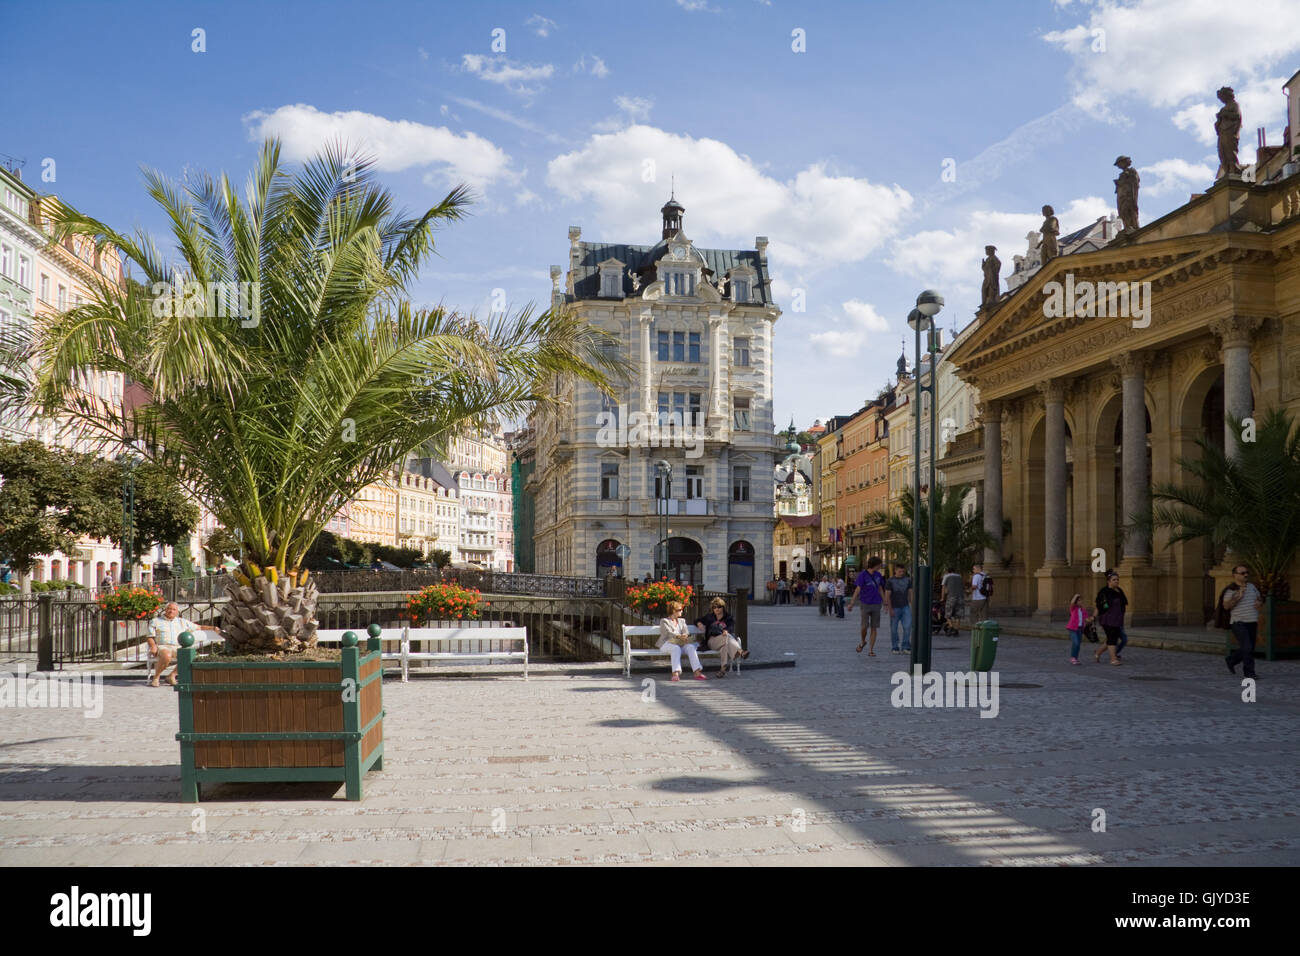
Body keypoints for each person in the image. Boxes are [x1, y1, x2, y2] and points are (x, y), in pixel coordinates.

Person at [148, 602, 220, 687]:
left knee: (188, 656)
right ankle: (156, 678)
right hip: (163, 646)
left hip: (179, 646)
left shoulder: (182, 622)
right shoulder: (156, 621)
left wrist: (213, 628)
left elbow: (199, 627)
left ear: (177, 612)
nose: (171, 611)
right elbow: (150, 636)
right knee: (167, 655)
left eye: (174, 609)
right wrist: (153, 646)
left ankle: (172, 676)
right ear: (165, 610)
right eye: (169, 609)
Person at [1223, 564, 1263, 679]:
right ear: (1234, 575)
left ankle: (1231, 660)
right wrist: (1238, 597)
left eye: (1247, 573)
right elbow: (1226, 606)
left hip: (1252, 622)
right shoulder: (1231, 589)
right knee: (1247, 647)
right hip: (1239, 622)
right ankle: (1249, 673)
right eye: (1242, 573)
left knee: (1250, 648)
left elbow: (1259, 598)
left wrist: (1259, 602)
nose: (1246, 575)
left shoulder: (1252, 587)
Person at [696, 597, 749, 678]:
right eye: (714, 607)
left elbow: (731, 627)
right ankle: (740, 651)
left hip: (725, 640)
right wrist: (699, 623)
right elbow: (696, 620)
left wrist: (727, 630)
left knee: (725, 647)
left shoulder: (728, 618)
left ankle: (722, 670)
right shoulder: (709, 617)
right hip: (712, 641)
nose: (716, 609)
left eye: (719, 607)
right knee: (727, 637)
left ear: (723, 607)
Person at [657, 601, 705, 681]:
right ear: (673, 611)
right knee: (676, 648)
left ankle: (697, 672)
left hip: (680, 643)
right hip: (667, 643)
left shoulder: (682, 621)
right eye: (680, 609)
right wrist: (679, 636)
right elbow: (668, 633)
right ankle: (675, 673)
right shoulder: (664, 621)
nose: (682, 611)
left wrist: (685, 635)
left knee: (690, 647)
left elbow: (685, 631)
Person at [847, 556, 886, 655]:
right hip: (865, 603)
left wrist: (885, 601)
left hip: (877, 603)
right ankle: (863, 641)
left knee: (874, 627)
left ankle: (871, 650)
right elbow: (858, 589)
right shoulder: (863, 575)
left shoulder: (878, 575)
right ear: (875, 565)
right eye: (879, 565)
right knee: (864, 626)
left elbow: (880, 588)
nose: (880, 566)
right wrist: (851, 603)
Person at [1094, 570, 1128, 665]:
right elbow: (1099, 606)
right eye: (1114, 580)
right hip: (1107, 619)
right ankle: (1113, 659)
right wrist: (1094, 616)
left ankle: (1098, 653)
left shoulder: (1119, 590)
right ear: (1108, 581)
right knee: (1112, 638)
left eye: (1117, 579)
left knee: (1112, 638)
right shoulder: (1104, 592)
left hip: (1118, 619)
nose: (1116, 581)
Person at [884, 564, 913, 655]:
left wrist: (912, 605)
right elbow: (887, 595)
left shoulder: (908, 580)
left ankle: (905, 646)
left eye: (903, 571)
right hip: (895, 607)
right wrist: (890, 608)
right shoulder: (890, 581)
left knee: (907, 627)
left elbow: (910, 593)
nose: (901, 573)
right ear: (895, 571)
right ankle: (895, 646)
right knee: (893, 629)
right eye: (900, 571)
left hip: (905, 607)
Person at [1066, 593, 1091, 665]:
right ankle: (1072, 658)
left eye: (1081, 600)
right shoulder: (1073, 608)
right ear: (1076, 602)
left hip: (1080, 629)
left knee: (1078, 644)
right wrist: (1076, 596)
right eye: (1079, 600)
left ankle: (1075, 658)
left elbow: (1087, 619)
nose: (1081, 601)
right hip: (1072, 628)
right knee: (1076, 643)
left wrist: (1091, 619)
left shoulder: (1083, 610)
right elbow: (1072, 603)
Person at [940, 565, 964, 635]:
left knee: (947, 614)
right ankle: (956, 629)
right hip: (960, 597)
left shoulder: (947, 576)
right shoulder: (959, 576)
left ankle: (951, 627)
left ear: (947, 571)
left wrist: (942, 598)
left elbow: (943, 588)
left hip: (951, 597)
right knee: (958, 615)